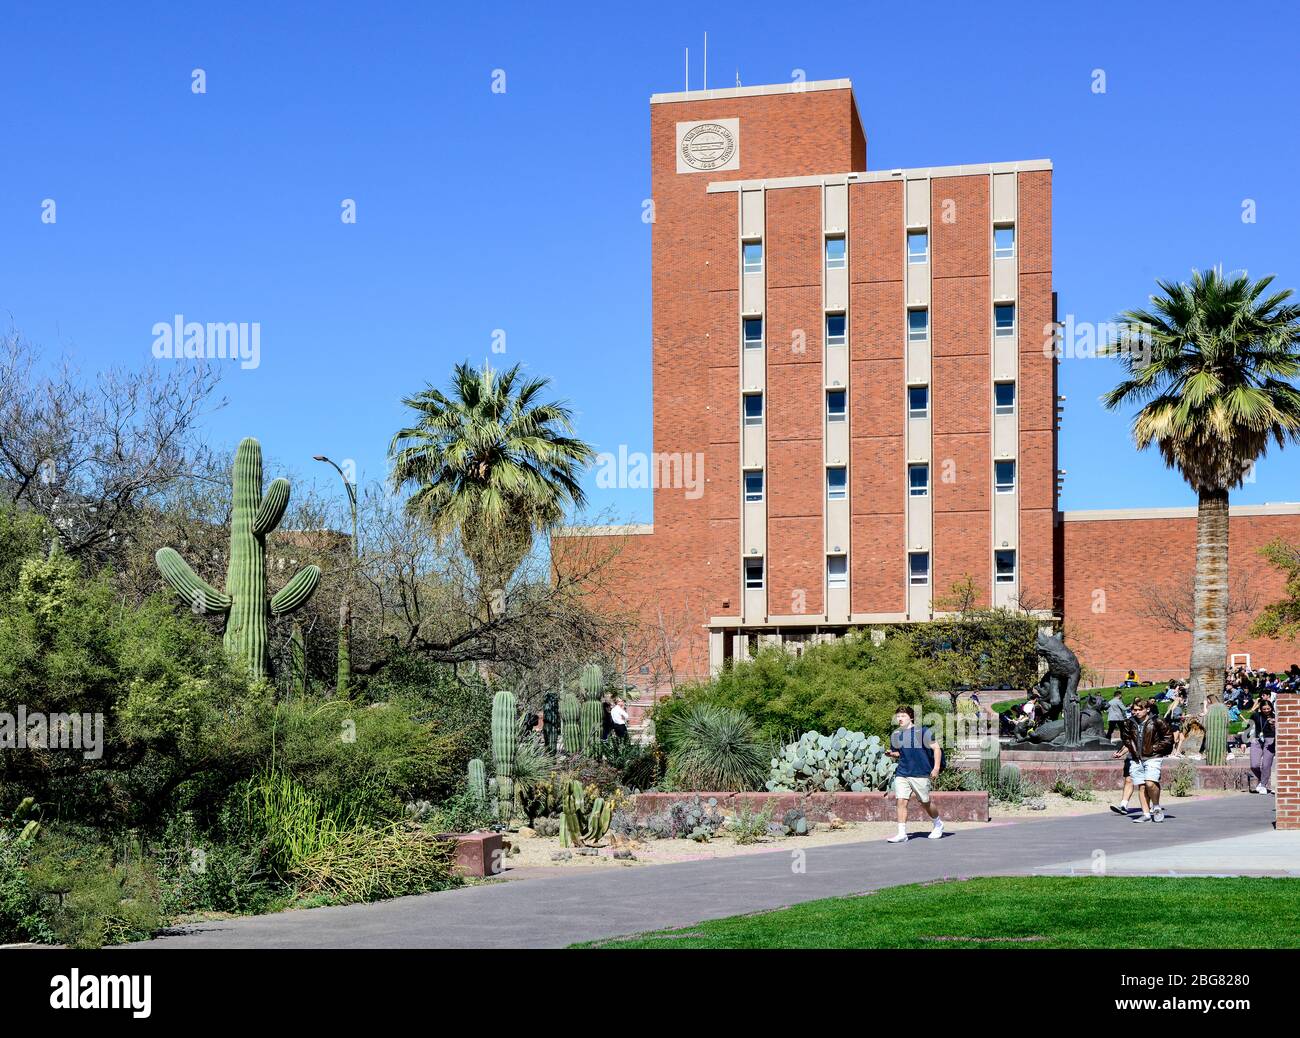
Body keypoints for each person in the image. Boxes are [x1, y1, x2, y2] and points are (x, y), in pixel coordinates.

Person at [885, 706, 944, 843]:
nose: (900, 718)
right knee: (901, 801)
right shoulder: (896, 735)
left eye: (903, 716)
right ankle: (902, 834)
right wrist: (891, 754)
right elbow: (899, 753)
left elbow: (936, 748)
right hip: (902, 772)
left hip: (920, 772)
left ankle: (938, 823)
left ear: (911, 717)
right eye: (898, 716)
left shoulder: (922, 731)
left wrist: (936, 768)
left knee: (925, 802)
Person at [1114, 697, 1174, 823]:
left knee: (1150, 783)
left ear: (1147, 709)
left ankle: (1156, 806)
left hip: (1152, 757)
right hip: (1136, 758)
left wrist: (1154, 748)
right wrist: (1131, 749)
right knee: (1141, 786)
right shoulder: (1129, 722)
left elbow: (1168, 737)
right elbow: (1126, 738)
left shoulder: (1157, 721)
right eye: (1134, 710)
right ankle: (1146, 814)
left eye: (1139, 710)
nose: (1136, 712)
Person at [1248, 698, 1277, 795]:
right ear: (1260, 708)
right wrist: (1243, 742)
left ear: (1271, 708)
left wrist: (1274, 725)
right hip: (1257, 740)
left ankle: (1263, 785)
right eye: (1264, 709)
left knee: (1266, 765)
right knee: (1254, 764)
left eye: (1268, 708)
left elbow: (1279, 731)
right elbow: (1248, 727)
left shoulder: (1275, 717)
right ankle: (1262, 780)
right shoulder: (1255, 715)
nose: (1266, 711)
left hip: (1270, 741)